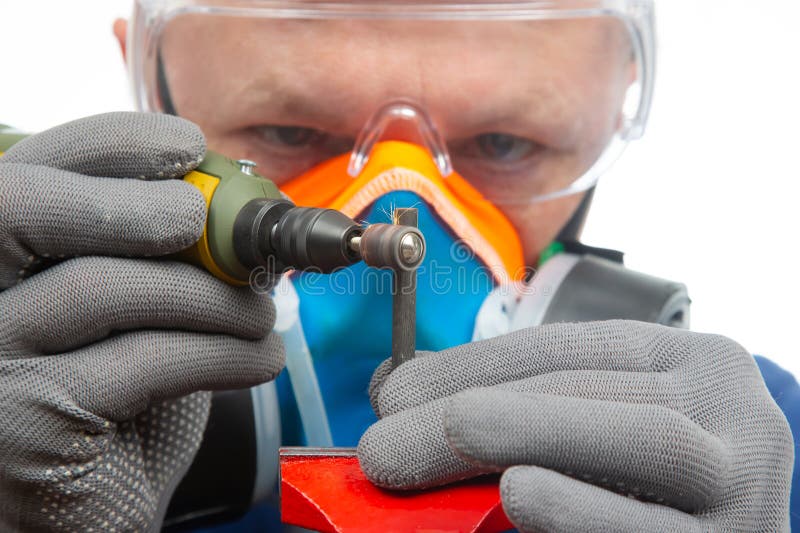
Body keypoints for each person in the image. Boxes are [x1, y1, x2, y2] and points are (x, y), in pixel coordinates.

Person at [0, 0, 797, 531]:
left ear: (615, 98)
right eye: (287, 131)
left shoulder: (756, 453)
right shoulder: (20, 419)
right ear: (155, 95)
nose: (390, 221)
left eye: (503, 145)